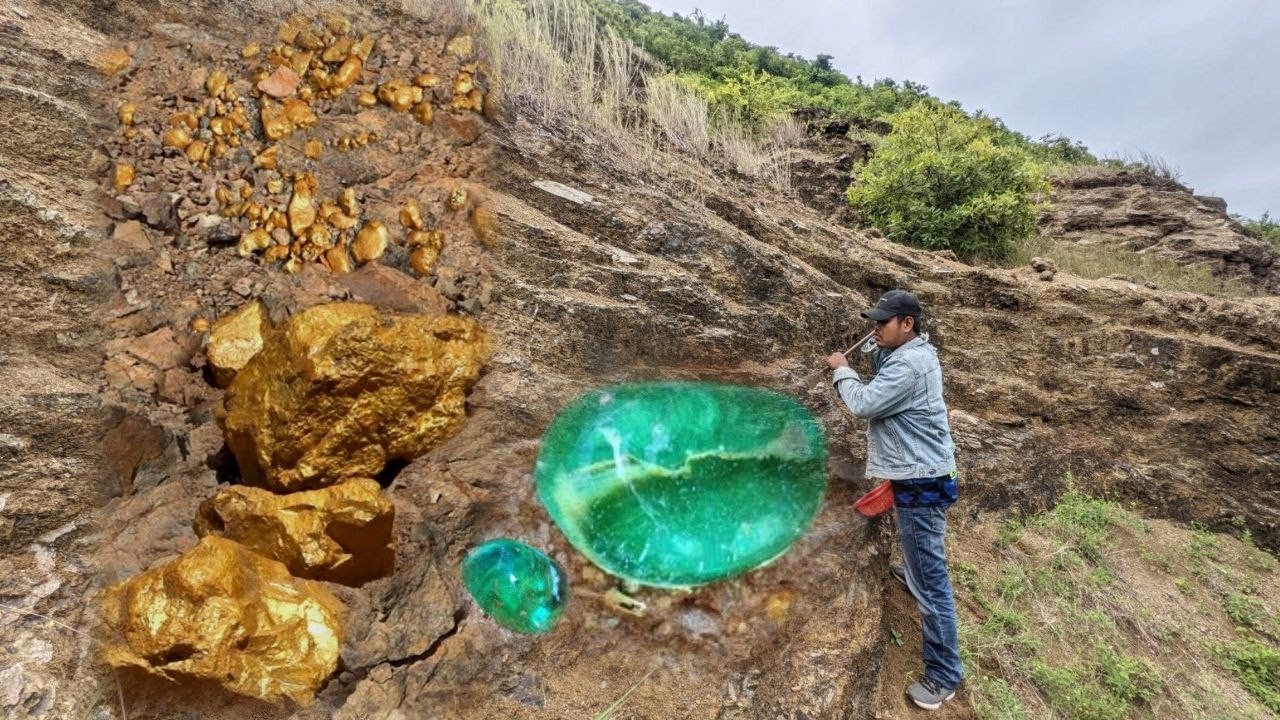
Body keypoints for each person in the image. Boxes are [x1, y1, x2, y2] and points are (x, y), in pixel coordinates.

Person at [826, 289, 962, 711]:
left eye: (882, 323)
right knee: (922, 559)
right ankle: (914, 569)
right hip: (925, 474)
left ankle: (943, 675)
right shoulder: (911, 352)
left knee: (932, 586)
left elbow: (865, 404)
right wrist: (875, 344)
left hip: (921, 483)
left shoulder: (910, 364)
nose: (874, 329)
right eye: (873, 322)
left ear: (908, 324)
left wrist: (842, 370)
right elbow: (885, 362)